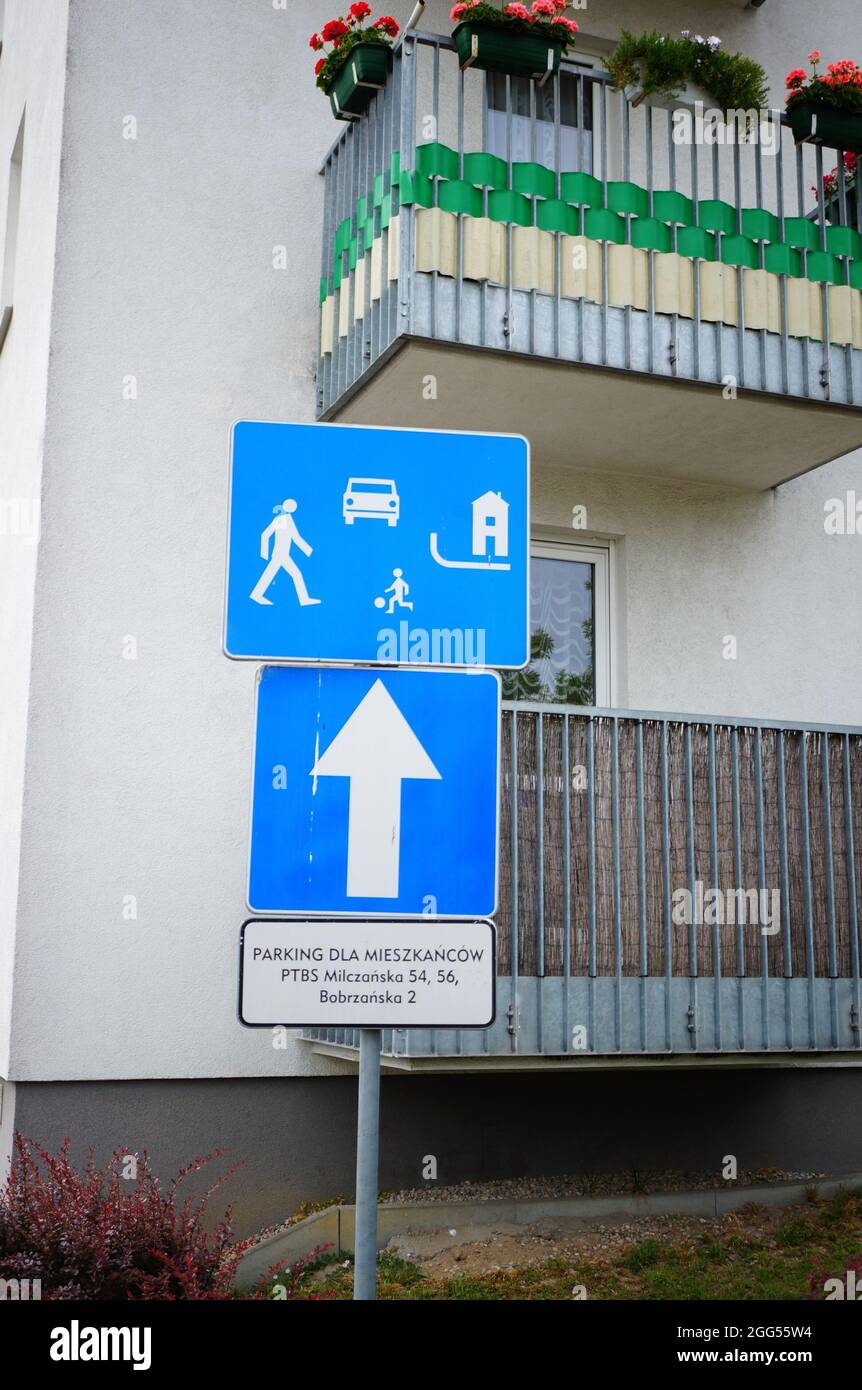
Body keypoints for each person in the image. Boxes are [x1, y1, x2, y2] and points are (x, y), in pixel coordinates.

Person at [250, 499, 320, 607]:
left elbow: (293, 537)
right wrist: (264, 554)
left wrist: (308, 551)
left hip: (281, 554)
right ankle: (304, 599)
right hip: (280, 554)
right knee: (296, 574)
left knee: (273, 574)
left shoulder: (283, 519)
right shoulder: (284, 519)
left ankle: (256, 594)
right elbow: (267, 535)